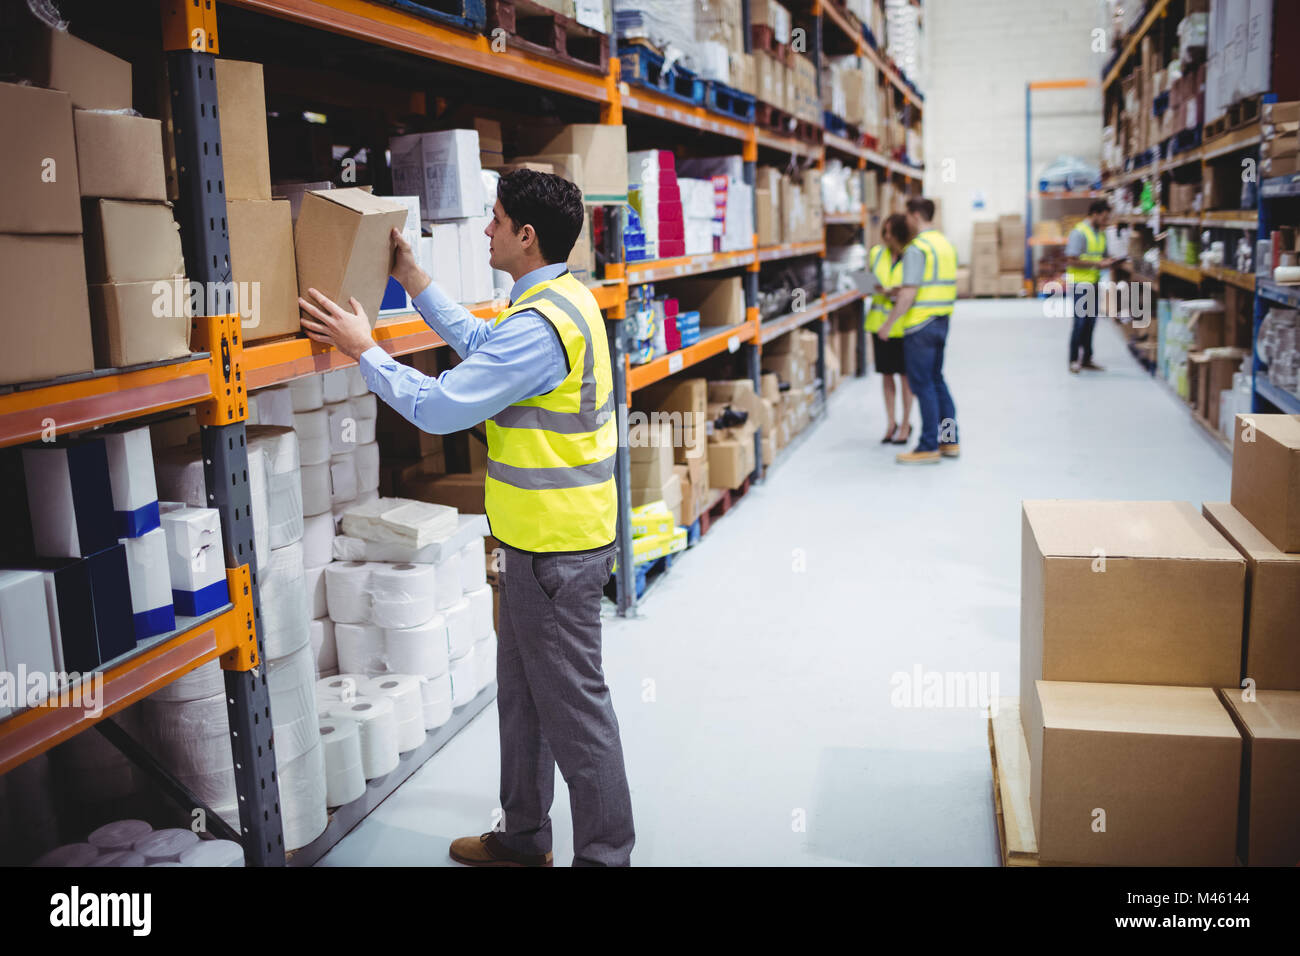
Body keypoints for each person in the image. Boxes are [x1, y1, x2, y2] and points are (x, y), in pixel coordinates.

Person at [298, 169, 635, 867]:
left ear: (525, 236)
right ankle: (522, 838)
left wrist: (365, 349)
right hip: (529, 545)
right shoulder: (557, 301)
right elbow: (487, 351)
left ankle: (606, 856)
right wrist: (418, 282)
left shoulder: (541, 325)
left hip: (556, 553)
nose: (486, 229)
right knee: (523, 701)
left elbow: (440, 406)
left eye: (496, 219)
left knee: (577, 717)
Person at [875, 197, 959, 464]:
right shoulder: (944, 245)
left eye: (907, 216)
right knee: (937, 381)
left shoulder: (917, 248)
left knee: (922, 385)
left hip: (920, 325)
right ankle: (949, 441)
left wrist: (888, 324)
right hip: (942, 320)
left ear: (914, 216)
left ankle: (927, 445)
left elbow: (910, 292)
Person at [865, 214, 915, 444]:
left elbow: (915, 289)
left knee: (906, 378)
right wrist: (879, 290)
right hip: (879, 324)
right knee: (886, 376)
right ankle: (890, 423)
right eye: (884, 231)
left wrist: (900, 291)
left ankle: (906, 424)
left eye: (890, 232)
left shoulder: (913, 256)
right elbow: (867, 282)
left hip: (903, 326)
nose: (886, 237)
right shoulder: (877, 253)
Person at [1065, 199, 1119, 373]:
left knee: (1090, 322)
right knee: (1080, 322)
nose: (1105, 221)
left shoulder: (1100, 233)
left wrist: (1110, 260)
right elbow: (1072, 259)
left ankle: (1087, 358)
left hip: (1094, 282)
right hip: (1080, 284)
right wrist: (1098, 264)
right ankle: (1073, 360)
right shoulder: (1079, 232)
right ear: (1094, 214)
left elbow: (1101, 255)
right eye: (1103, 217)